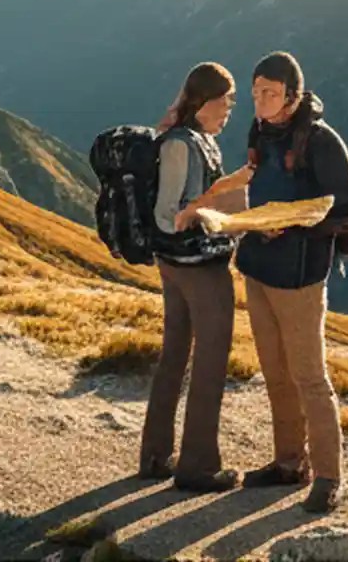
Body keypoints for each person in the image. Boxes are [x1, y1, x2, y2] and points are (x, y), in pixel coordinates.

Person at [235, 51, 348, 514]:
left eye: (268, 93)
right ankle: (289, 462)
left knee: (309, 375)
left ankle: (329, 476)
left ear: (292, 95)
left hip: (299, 277)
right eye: (254, 92)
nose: (259, 100)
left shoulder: (322, 142)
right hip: (257, 268)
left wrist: (293, 225)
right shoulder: (261, 133)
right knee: (275, 373)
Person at [138, 61, 249, 492]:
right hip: (197, 268)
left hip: (176, 266)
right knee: (209, 361)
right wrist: (219, 202)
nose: (229, 109)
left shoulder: (190, 138)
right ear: (203, 102)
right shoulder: (182, 145)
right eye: (225, 101)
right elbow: (170, 214)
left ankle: (155, 456)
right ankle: (198, 467)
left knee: (175, 354)